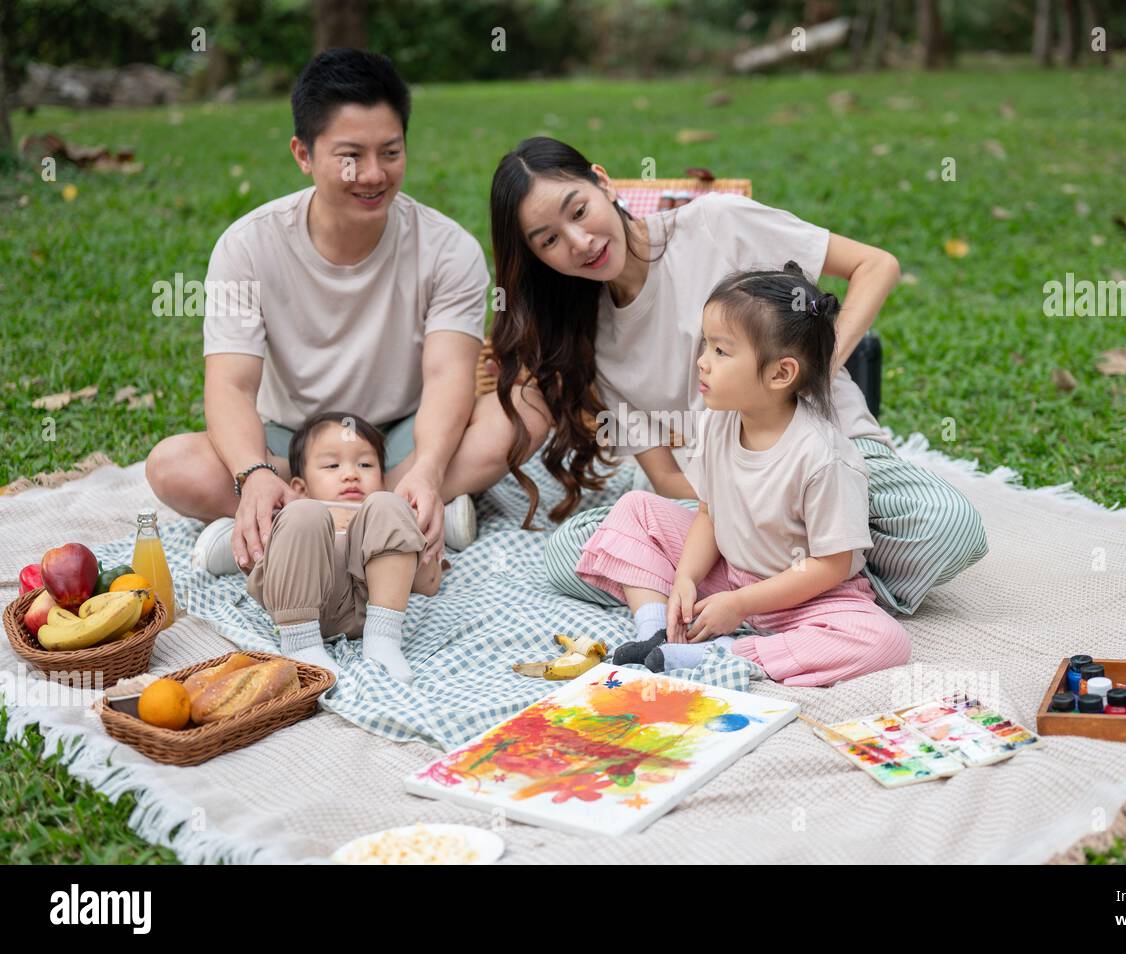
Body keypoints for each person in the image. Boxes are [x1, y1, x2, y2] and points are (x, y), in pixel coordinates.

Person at [488, 136, 986, 620]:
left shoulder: (714, 223)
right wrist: (739, 508)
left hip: (834, 459)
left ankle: (796, 591)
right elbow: (663, 476)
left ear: (603, 183)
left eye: (578, 211)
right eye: (550, 239)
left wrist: (815, 368)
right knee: (570, 553)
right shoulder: (587, 337)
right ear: (538, 257)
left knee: (947, 526)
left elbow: (876, 265)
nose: (580, 242)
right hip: (720, 501)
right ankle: (782, 596)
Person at [145, 49, 552, 577]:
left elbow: (449, 374)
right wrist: (252, 474)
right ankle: (403, 517)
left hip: (401, 437)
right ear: (303, 154)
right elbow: (231, 386)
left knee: (528, 411)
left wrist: (427, 468)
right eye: (350, 155)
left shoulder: (448, 249)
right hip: (291, 446)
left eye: (390, 152)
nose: (373, 175)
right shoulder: (247, 246)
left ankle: (322, 519)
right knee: (173, 466)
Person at [572, 265, 910, 685]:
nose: (702, 362)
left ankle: (727, 651)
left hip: (808, 597)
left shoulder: (823, 458)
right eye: (706, 346)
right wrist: (685, 579)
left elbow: (829, 566)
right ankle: (658, 632)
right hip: (731, 571)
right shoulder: (718, 422)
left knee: (883, 639)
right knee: (634, 509)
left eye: (721, 351)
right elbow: (708, 515)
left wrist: (741, 604)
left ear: (780, 373)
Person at [244, 412, 441, 681]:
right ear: (300, 487)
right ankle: (302, 646)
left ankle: (383, 640)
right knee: (303, 515)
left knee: (390, 506)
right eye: (332, 466)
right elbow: (262, 569)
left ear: (384, 481)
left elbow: (427, 582)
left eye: (365, 465)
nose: (350, 475)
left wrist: (418, 535)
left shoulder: (385, 515)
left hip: (371, 605)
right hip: (299, 601)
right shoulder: (297, 511)